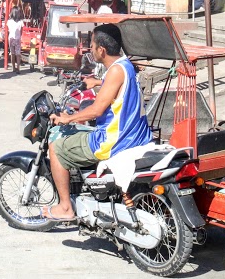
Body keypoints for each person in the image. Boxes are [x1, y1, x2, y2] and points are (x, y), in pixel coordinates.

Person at [42, 24, 152, 221]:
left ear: (101, 50)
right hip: (136, 135)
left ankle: (65, 207)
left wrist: (66, 118)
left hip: (115, 140)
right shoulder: (125, 65)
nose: (90, 50)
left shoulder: (114, 72)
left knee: (56, 146)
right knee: (81, 129)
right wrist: (97, 82)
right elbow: (116, 84)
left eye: (92, 46)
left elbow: (96, 110)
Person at [7, 6, 24, 73]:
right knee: (18, 54)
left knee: (12, 53)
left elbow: (8, 30)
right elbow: (21, 31)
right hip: (18, 38)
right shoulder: (21, 22)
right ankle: (18, 68)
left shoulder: (9, 21)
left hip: (11, 38)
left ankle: (13, 67)